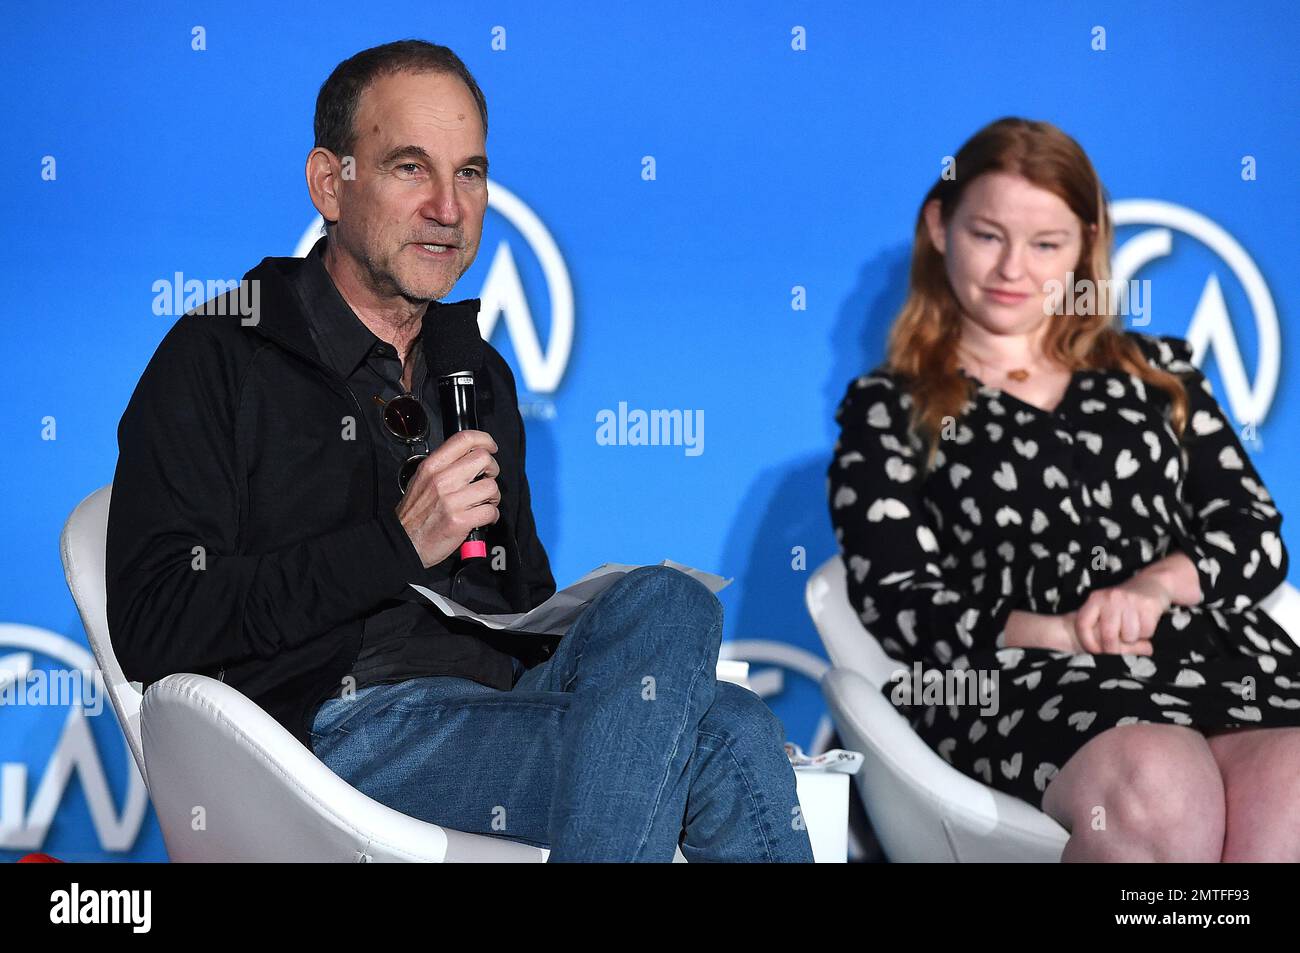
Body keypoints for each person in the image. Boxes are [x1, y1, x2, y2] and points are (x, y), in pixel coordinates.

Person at [107, 39, 812, 862]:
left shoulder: (475, 370)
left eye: (470, 173)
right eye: (411, 168)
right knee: (727, 735)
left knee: (674, 601)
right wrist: (393, 545)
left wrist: (588, 646)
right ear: (330, 183)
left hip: (497, 707)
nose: (449, 206)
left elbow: (523, 599)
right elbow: (156, 619)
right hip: (341, 731)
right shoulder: (222, 352)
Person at [828, 116, 1299, 861]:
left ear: (1087, 245)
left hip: (1213, 658)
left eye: (1046, 244)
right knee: (1160, 785)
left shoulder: (1158, 374)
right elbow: (897, 599)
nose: (1013, 268)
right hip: (1022, 676)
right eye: (988, 234)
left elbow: (1254, 534)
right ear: (939, 225)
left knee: (1292, 788)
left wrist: (1152, 588)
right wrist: (1056, 629)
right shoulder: (892, 406)